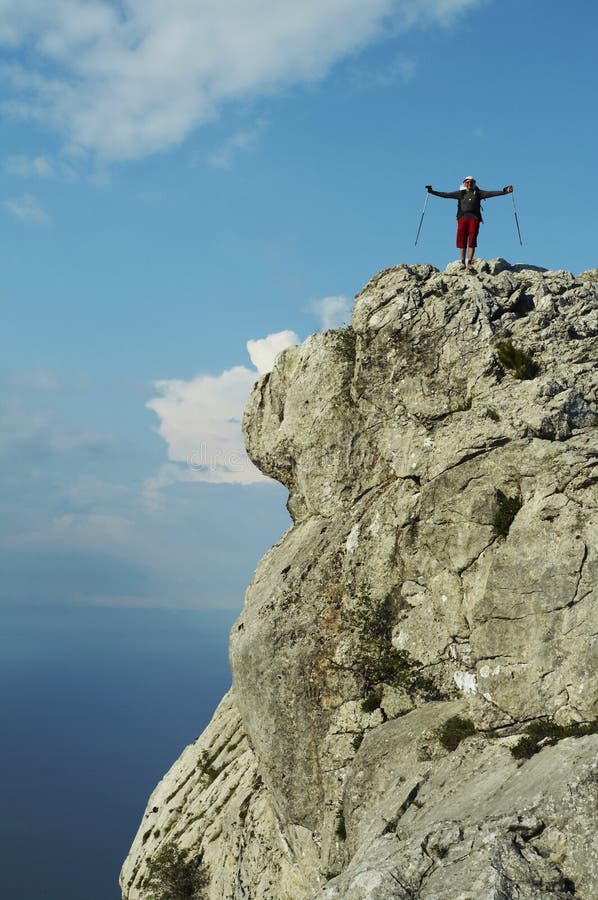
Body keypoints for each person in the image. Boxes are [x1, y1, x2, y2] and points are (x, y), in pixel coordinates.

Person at [425, 177, 513, 267]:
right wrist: (432, 192)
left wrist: (505, 191)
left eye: (471, 182)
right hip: (462, 218)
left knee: (472, 240)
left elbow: (492, 193)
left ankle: (469, 262)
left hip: (474, 218)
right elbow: (446, 195)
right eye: (467, 182)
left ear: (474, 183)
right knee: (462, 240)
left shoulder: (479, 193)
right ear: (464, 184)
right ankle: (463, 262)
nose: (469, 184)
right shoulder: (460, 193)